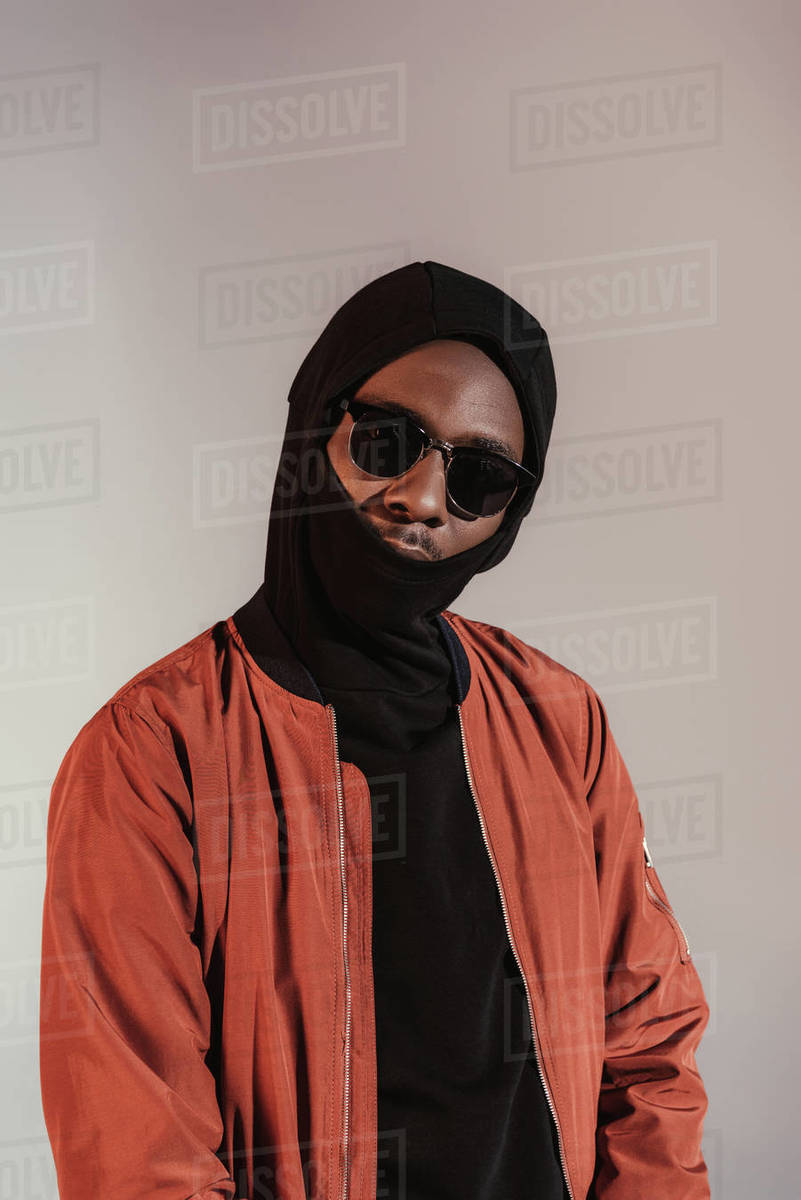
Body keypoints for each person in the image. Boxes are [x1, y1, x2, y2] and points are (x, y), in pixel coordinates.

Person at [40, 260, 711, 1200]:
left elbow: (649, 1054)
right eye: (389, 442)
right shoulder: (154, 752)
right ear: (316, 427)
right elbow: (136, 1147)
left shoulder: (560, 720)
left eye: (479, 476)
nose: (424, 499)